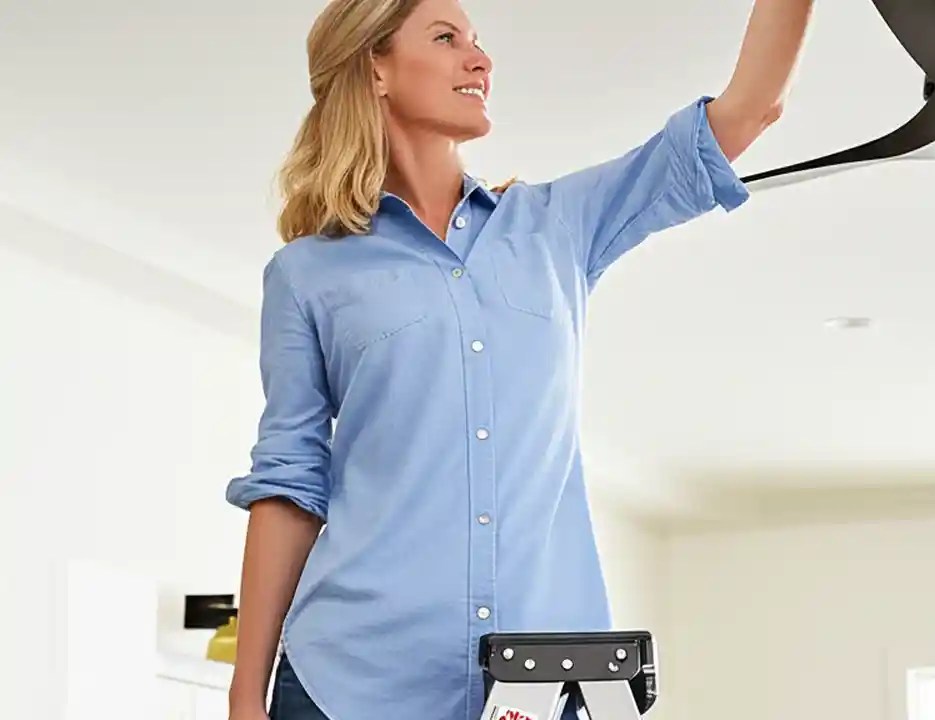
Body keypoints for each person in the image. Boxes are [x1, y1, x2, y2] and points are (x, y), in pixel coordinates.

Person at [224, 0, 813, 718]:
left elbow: (747, 112)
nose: (481, 59)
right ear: (375, 67)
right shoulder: (308, 273)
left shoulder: (555, 227)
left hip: (545, 686)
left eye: (477, 41)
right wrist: (244, 693)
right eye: (447, 39)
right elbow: (288, 485)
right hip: (352, 682)